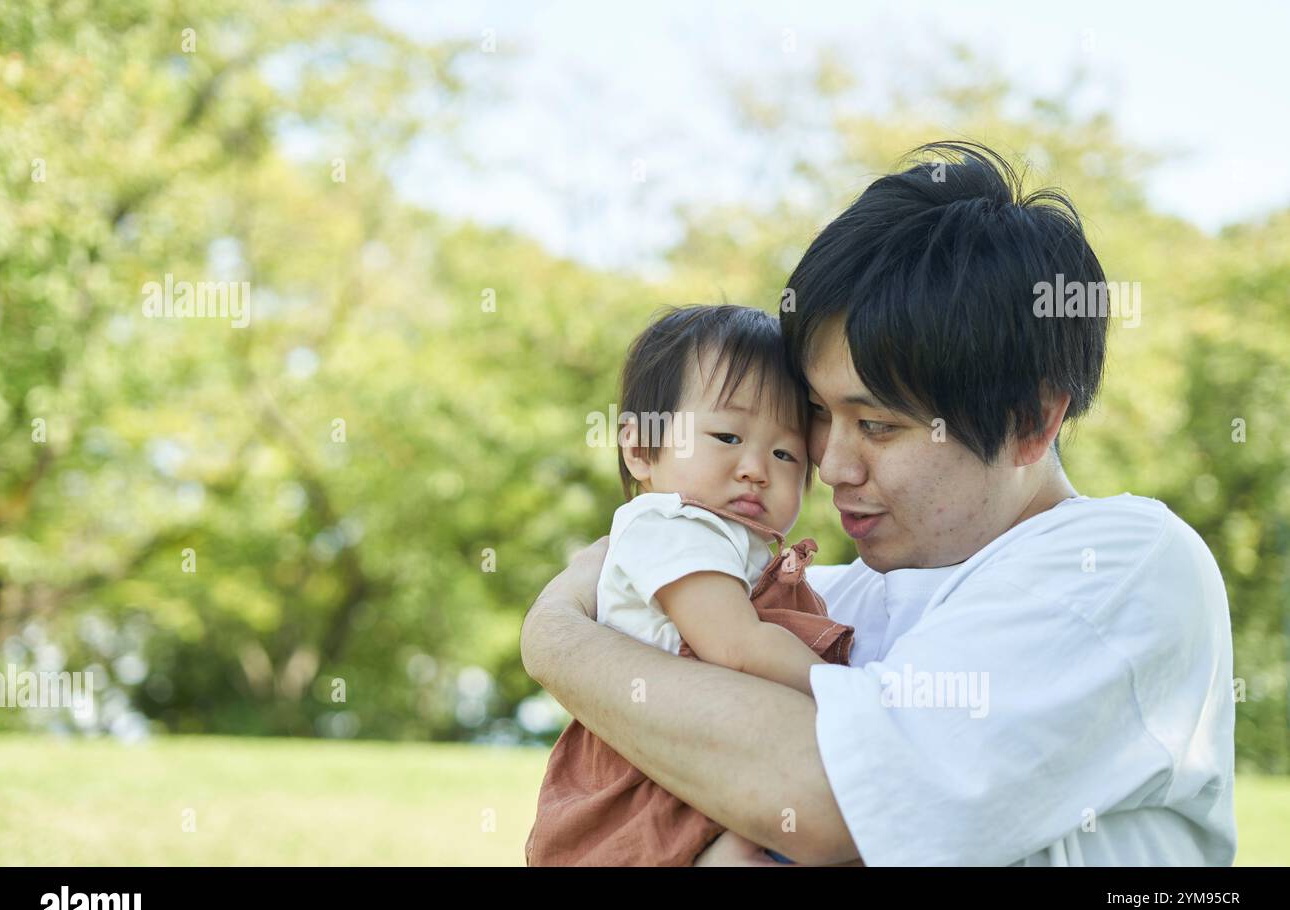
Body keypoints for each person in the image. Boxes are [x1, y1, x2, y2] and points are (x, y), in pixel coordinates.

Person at [521, 142, 1236, 866]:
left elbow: (835, 800)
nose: (828, 464)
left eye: (878, 425)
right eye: (818, 416)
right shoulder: (826, 596)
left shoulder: (1123, 566)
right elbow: (629, 572)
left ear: (1029, 421)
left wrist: (554, 638)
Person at [525, 305, 852, 866]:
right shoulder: (673, 525)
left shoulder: (737, 545)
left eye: (785, 453)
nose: (756, 467)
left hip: (706, 773)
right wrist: (854, 695)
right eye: (726, 435)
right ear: (640, 448)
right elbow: (738, 647)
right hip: (651, 787)